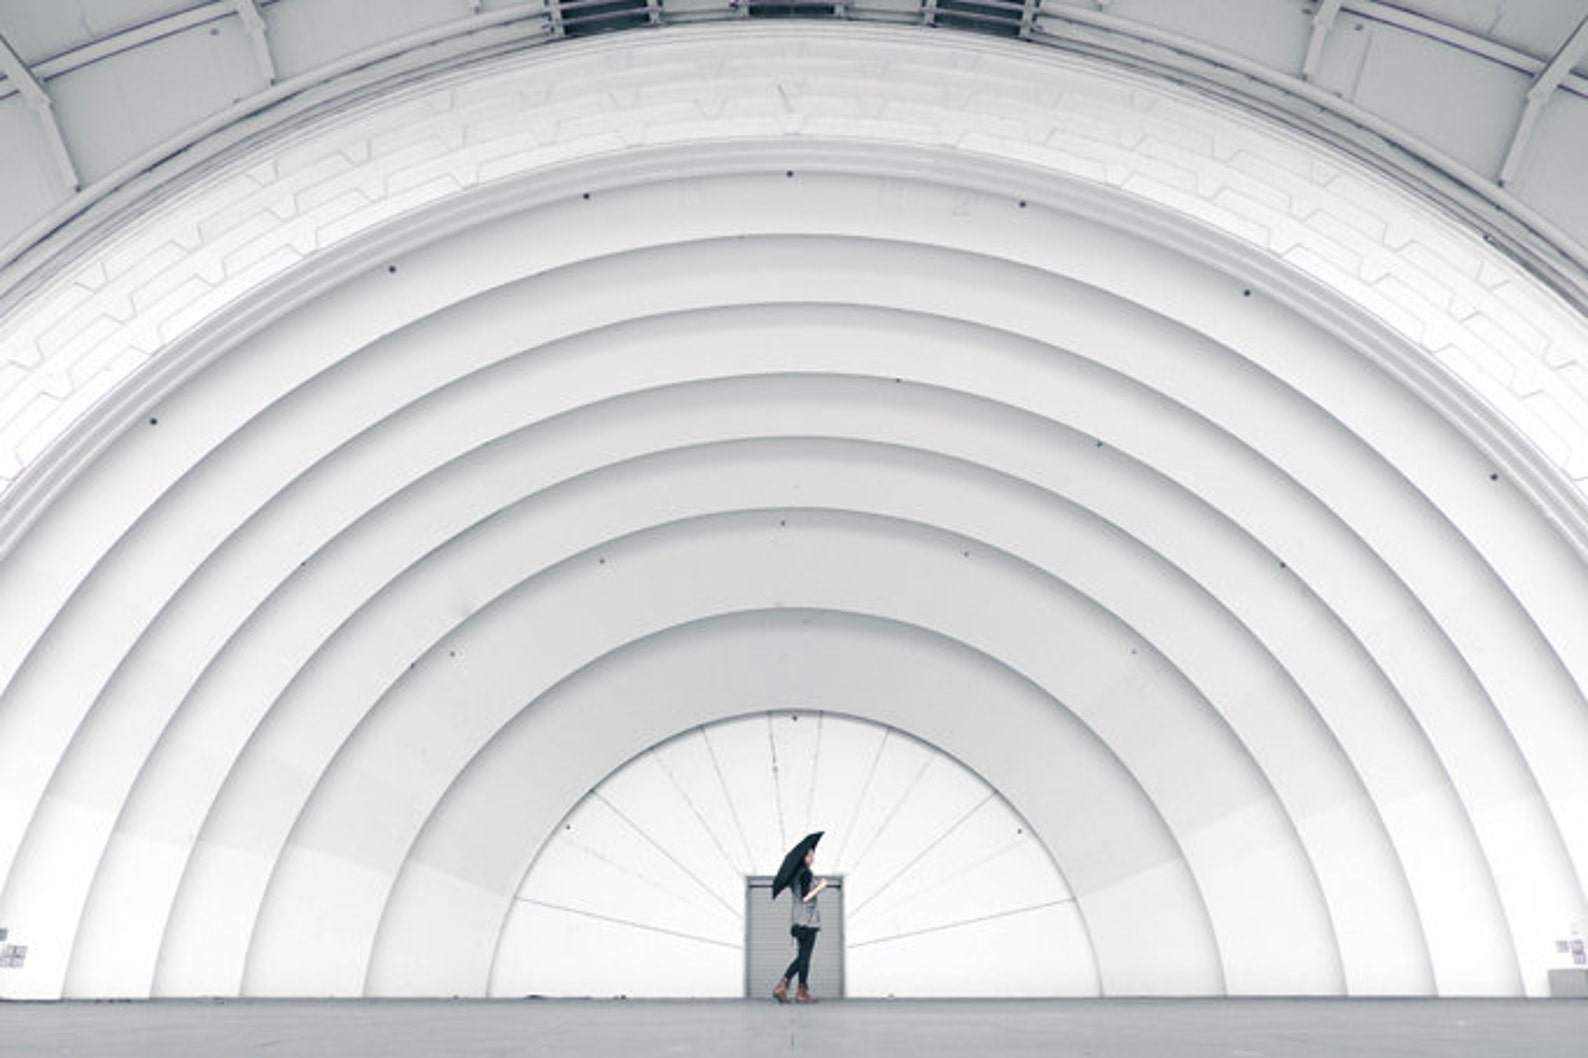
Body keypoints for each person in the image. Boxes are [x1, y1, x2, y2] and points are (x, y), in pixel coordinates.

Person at [773, 847, 828, 1004]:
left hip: (799, 920)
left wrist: (815, 885)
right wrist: (820, 886)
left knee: (803, 957)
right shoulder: (805, 873)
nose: (813, 858)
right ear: (804, 857)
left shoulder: (797, 875)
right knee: (804, 957)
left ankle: (789, 988)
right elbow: (805, 897)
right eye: (810, 855)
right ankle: (795, 990)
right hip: (807, 922)